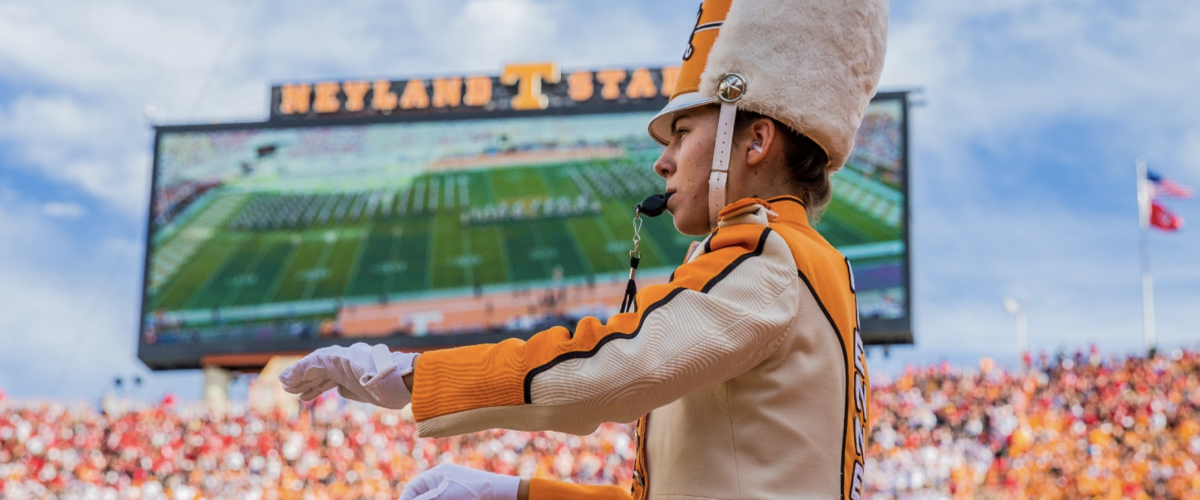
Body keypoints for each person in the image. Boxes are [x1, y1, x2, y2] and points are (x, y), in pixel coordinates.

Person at [280, 0, 887, 498]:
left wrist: (416, 374)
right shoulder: (802, 263)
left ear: (755, 141)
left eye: (682, 132)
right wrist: (517, 493)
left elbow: (604, 372)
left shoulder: (767, 255)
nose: (663, 159)